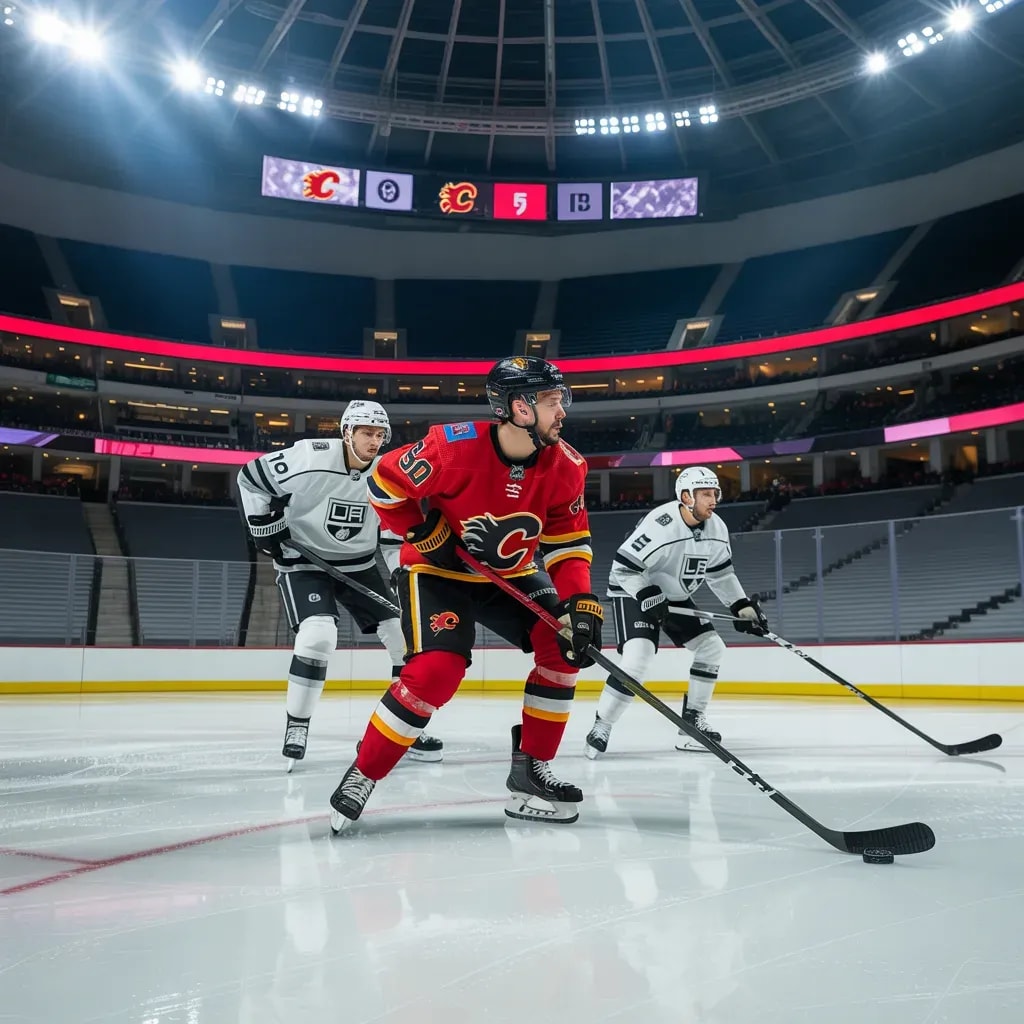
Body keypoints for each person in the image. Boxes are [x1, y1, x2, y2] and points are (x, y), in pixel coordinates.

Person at [327, 356, 603, 832]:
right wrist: (419, 529)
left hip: (512, 573)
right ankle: (364, 773)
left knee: (564, 647)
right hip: (439, 571)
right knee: (436, 671)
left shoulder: (568, 466)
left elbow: (568, 544)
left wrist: (578, 603)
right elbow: (383, 483)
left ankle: (530, 770)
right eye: (553, 401)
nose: (563, 412)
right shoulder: (452, 446)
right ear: (520, 407)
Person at [237, 400, 443, 771]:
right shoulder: (310, 457)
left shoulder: (388, 472)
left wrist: (401, 573)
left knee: (404, 638)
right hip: (305, 562)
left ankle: (404, 727)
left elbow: (394, 534)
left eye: (380, 434)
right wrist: (260, 526)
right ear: (346, 432)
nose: (374, 440)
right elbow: (251, 477)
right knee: (318, 637)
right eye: (366, 432)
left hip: (360, 565)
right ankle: (297, 726)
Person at [585, 466, 767, 757]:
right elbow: (623, 568)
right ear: (686, 496)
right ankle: (602, 724)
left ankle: (692, 723)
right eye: (705, 493)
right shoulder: (662, 523)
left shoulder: (717, 527)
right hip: (633, 590)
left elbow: (720, 574)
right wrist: (646, 594)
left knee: (711, 649)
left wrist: (741, 605)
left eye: (715, 493)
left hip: (674, 595)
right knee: (638, 657)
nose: (713, 499)